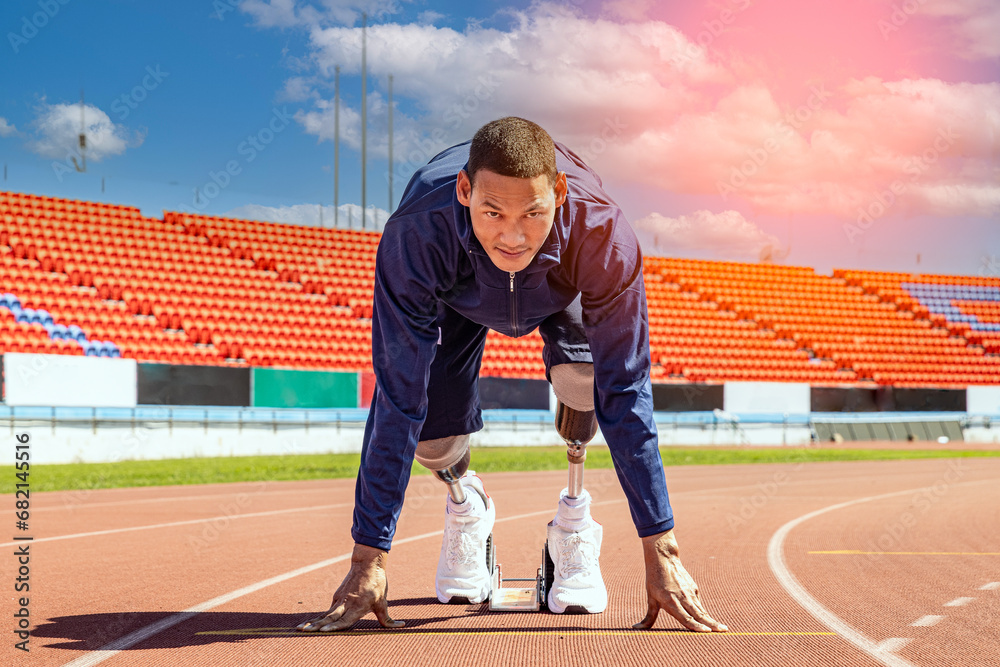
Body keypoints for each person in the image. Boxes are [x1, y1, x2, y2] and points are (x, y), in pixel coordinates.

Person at [297, 117, 727, 632]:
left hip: (558, 284)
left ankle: (574, 522)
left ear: (560, 193)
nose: (513, 236)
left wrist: (662, 548)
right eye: (492, 211)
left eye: (533, 212)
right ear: (464, 190)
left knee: (585, 383)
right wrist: (368, 561)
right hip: (459, 292)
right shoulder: (415, 236)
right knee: (433, 441)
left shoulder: (602, 234)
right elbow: (398, 396)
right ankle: (466, 506)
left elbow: (627, 390)